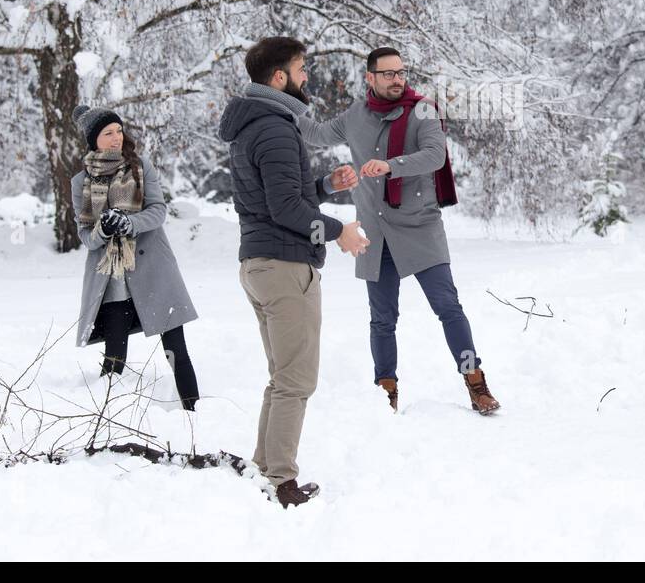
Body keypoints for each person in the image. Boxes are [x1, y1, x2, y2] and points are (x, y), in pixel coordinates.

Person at [297, 46, 500, 415]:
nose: (397, 80)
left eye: (401, 72)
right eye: (388, 74)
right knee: (382, 318)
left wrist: (392, 166)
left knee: (448, 307)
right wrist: (285, 100)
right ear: (370, 77)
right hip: (375, 231)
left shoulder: (421, 110)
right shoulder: (355, 115)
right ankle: (385, 392)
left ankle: (475, 380)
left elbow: (435, 155)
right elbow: (316, 133)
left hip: (419, 226)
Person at [219, 37, 369, 508]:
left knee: (282, 376)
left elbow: (271, 200)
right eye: (302, 68)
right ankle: (282, 483)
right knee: (296, 380)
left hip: (259, 263)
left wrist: (324, 186)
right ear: (279, 77)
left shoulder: (254, 126)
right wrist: (337, 230)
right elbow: (285, 209)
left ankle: (266, 469)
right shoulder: (277, 130)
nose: (308, 77)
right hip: (285, 266)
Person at [70, 105, 200, 410]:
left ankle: (195, 413)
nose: (117, 138)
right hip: (113, 279)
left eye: (118, 130)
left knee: (175, 348)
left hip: (153, 270)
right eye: (108, 133)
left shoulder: (140, 167)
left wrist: (130, 223)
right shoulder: (80, 182)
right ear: (94, 140)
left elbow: (158, 211)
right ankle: (106, 425)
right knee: (114, 359)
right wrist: (103, 229)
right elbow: (86, 236)